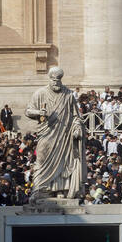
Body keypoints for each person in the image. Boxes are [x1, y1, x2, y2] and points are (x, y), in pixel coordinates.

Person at [25, 66, 86, 200]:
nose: (56, 83)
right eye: (53, 81)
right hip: (46, 134)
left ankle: (60, 189)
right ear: (49, 79)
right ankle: (39, 189)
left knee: (64, 163)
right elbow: (28, 111)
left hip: (64, 136)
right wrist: (38, 113)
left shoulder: (68, 95)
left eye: (58, 81)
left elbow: (76, 116)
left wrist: (76, 127)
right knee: (42, 160)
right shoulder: (40, 93)